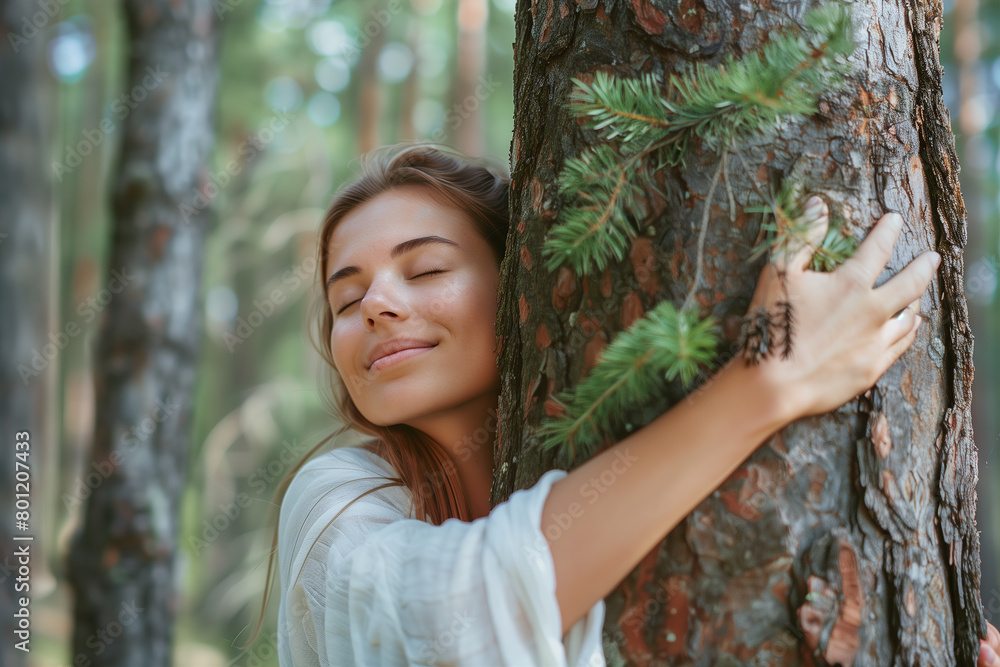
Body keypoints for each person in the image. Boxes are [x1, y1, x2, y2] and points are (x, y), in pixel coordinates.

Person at [255, 142, 1000, 666]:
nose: (377, 306)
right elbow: (447, 628)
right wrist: (765, 383)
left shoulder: (598, 449)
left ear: (520, 285)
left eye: (424, 268)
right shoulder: (336, 501)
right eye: (346, 298)